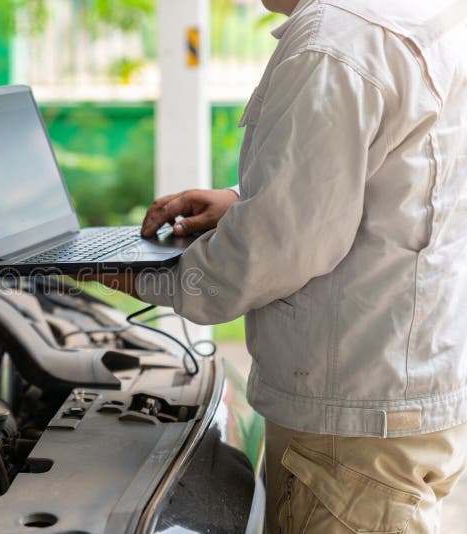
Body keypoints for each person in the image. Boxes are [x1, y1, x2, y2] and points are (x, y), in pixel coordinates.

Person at [91, 0, 467, 531]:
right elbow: (393, 185)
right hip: (407, 397)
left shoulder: (334, 41)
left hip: (348, 433)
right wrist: (244, 202)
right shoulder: (415, 12)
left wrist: (137, 273)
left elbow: (272, 254)